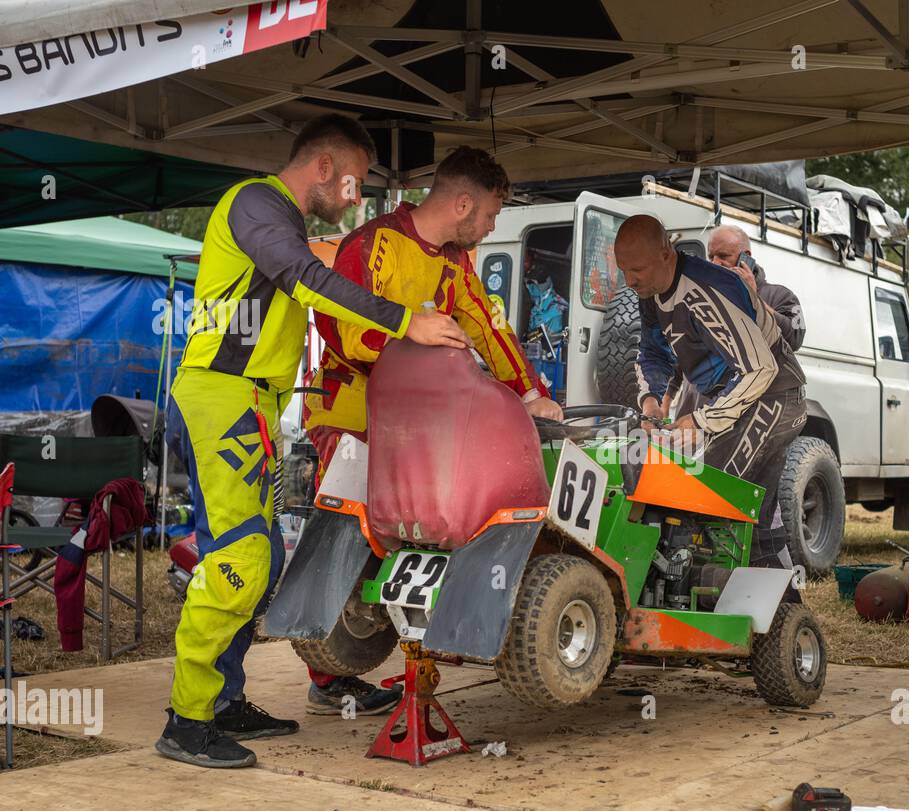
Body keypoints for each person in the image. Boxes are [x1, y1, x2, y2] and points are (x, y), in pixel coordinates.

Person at [160, 114, 470, 769]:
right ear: (325, 166)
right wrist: (404, 321)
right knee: (240, 558)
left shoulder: (281, 220)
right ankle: (187, 719)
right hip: (222, 394)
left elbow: (309, 277)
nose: (358, 197)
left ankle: (223, 699)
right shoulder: (255, 204)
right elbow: (304, 278)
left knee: (263, 556)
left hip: (252, 401)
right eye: (357, 179)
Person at [300, 145, 561, 715]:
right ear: (463, 203)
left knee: (431, 523)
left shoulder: (455, 262)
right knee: (353, 533)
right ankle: (330, 674)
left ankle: (428, 641)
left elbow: (489, 325)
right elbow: (340, 330)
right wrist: (410, 340)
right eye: (490, 215)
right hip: (349, 416)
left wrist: (530, 395)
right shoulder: (369, 245)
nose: (491, 227)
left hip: (421, 427)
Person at [615, 214, 807, 578]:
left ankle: (703, 597)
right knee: (757, 514)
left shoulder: (708, 290)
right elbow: (654, 353)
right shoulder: (651, 290)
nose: (630, 280)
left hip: (775, 394)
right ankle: (780, 608)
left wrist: (703, 420)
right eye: (623, 270)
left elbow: (760, 369)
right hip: (742, 395)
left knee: (707, 495)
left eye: (637, 269)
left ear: (666, 254)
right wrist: (651, 400)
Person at [667, 225, 806, 418]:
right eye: (711, 256)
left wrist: (753, 299)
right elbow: (681, 354)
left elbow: (795, 338)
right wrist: (665, 400)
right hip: (694, 415)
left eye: (723, 256)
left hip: (747, 416)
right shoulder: (699, 298)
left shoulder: (780, 296)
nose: (715, 263)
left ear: (745, 257)